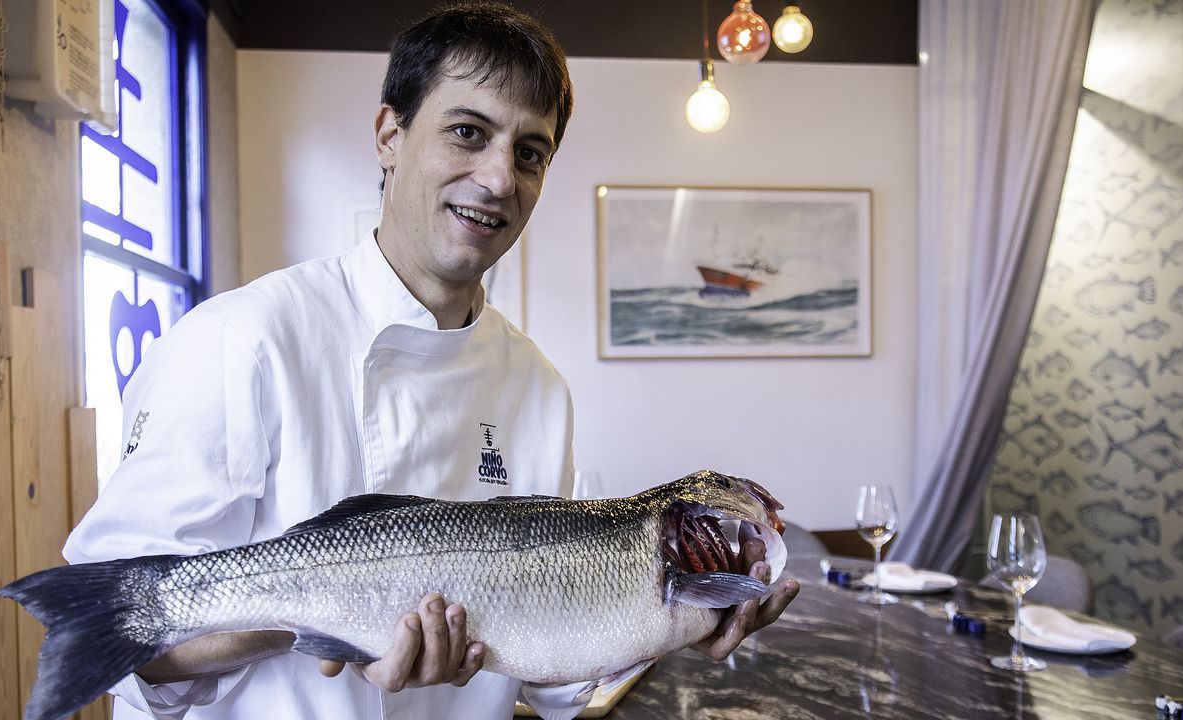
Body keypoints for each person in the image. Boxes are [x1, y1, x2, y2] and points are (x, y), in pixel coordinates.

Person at [63, 4, 799, 719]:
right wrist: (334, 613)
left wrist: (678, 622)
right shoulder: (243, 336)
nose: (499, 178)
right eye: (468, 133)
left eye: (530, 153)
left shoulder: (537, 386)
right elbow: (131, 648)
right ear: (390, 134)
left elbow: (553, 677)